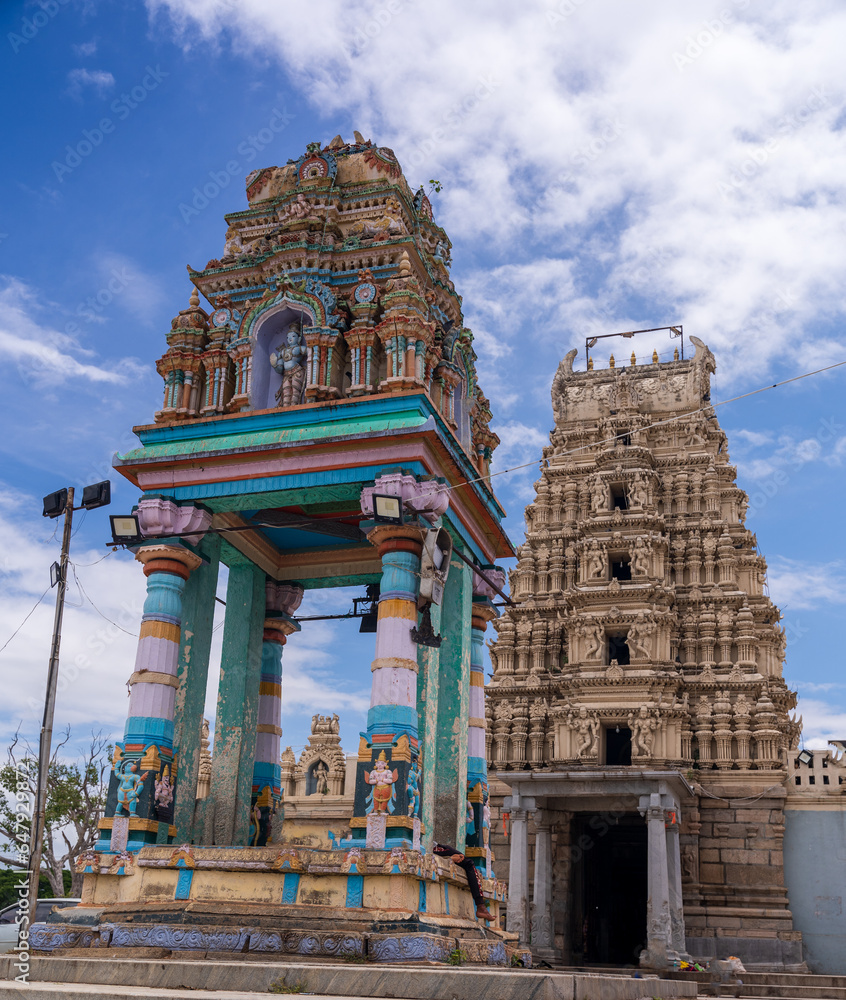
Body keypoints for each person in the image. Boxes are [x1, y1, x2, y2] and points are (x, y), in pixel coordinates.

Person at [432, 842, 493, 921]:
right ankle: (480, 906)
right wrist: (450, 859)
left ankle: (481, 905)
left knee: (466, 860)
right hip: (432, 846)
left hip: (435, 845)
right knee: (468, 863)